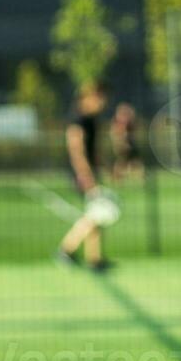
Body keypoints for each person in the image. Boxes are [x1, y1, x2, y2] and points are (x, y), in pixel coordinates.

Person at [56, 80, 112, 271]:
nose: (103, 102)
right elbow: (76, 150)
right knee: (94, 214)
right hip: (82, 174)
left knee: (96, 213)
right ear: (89, 97)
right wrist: (85, 174)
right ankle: (66, 249)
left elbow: (94, 151)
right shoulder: (78, 119)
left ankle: (94, 259)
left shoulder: (92, 119)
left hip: (91, 172)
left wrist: (107, 168)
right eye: (100, 98)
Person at [109, 101, 145, 183]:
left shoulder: (127, 123)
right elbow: (118, 135)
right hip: (123, 145)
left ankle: (138, 177)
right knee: (123, 162)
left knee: (132, 161)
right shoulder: (119, 122)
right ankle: (116, 178)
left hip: (127, 144)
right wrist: (123, 143)